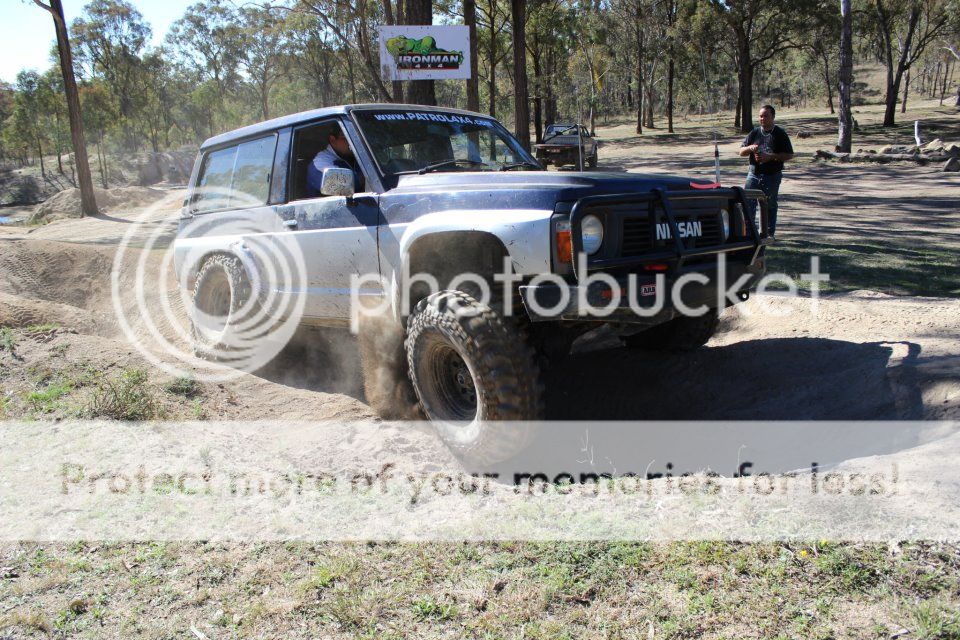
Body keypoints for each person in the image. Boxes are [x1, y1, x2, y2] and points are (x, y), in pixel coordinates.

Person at [738, 104, 793, 236]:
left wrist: (771, 157)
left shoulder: (779, 134)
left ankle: (768, 233)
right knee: (748, 203)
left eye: (765, 116)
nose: (762, 118)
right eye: (760, 116)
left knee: (769, 205)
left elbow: (789, 155)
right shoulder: (755, 132)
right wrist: (750, 148)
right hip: (753, 174)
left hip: (772, 175)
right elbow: (741, 151)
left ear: (773, 117)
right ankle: (750, 233)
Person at [307, 127, 364, 196]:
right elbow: (342, 187)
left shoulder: (350, 156)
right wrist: (365, 177)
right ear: (332, 140)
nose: (352, 141)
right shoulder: (320, 162)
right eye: (347, 136)